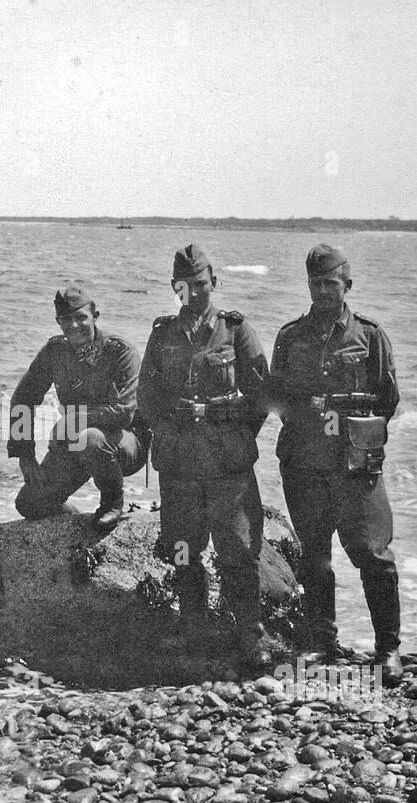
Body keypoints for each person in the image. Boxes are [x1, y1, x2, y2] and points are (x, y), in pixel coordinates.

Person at [268, 244, 403, 685]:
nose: (323, 290)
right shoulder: (290, 337)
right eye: (315, 283)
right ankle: (321, 643)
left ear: (348, 284)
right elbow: (277, 397)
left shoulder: (369, 335)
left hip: (356, 465)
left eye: (331, 282)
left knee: (373, 554)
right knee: (315, 557)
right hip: (305, 462)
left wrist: (354, 427)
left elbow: (389, 399)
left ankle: (388, 649)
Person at [138, 244, 270, 657]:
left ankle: (248, 631)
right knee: (182, 547)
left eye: (201, 285)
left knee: (238, 547)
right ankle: (193, 625)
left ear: (214, 282)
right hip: (179, 462)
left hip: (227, 462)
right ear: (174, 289)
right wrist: (170, 430)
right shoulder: (162, 334)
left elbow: (261, 394)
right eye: (184, 287)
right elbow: (146, 396)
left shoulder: (235, 330)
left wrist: (234, 432)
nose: (193, 294)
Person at [8, 284, 146, 531]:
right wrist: (25, 454)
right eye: (66, 319)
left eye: (81, 317)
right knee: (31, 504)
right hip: (77, 443)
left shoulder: (119, 351)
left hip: (124, 444)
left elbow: (124, 410)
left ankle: (112, 503)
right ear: (58, 322)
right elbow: (23, 398)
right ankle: (73, 519)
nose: (74, 325)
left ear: (95, 316)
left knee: (90, 438)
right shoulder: (55, 351)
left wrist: (74, 421)